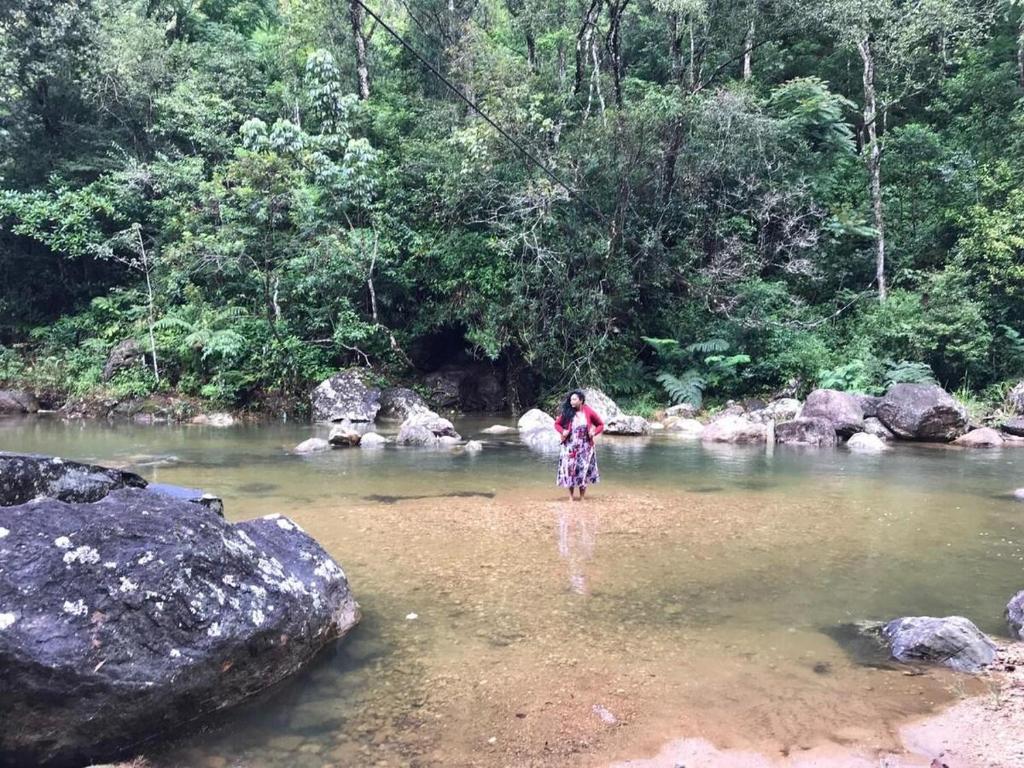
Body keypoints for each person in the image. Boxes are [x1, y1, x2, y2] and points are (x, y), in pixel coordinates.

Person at [553, 390, 604, 500]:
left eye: (574, 399)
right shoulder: (567, 412)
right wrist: (563, 431)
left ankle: (582, 498)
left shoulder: (588, 411)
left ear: (581, 400)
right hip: (570, 447)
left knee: (583, 472)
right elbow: (557, 424)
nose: (572, 401)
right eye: (571, 399)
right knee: (570, 471)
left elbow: (600, 424)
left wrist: (594, 432)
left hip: (585, 448)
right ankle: (571, 497)